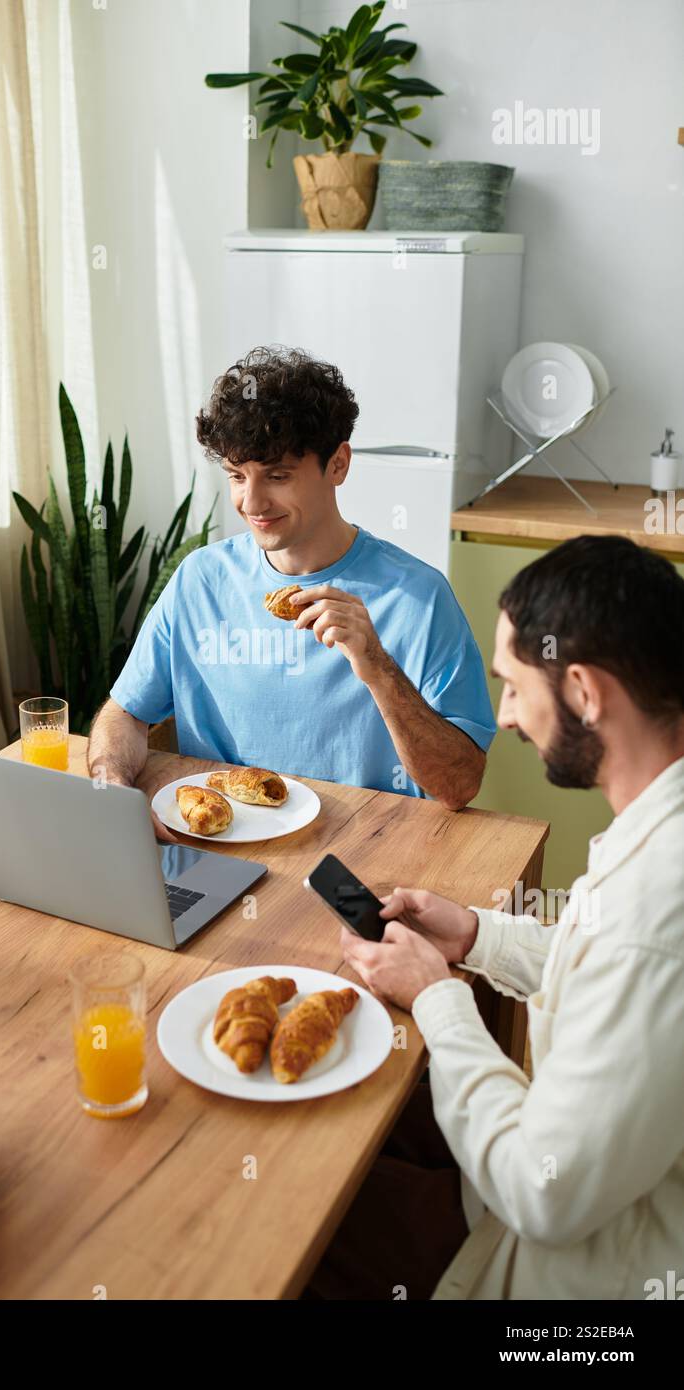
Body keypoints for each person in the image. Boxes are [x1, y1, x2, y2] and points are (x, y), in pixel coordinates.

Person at [308, 534, 684, 1300]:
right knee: (349, 1130)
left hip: (581, 1270)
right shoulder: (659, 824)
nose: (506, 716)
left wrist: (436, 996)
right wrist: (478, 936)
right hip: (581, 1178)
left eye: (513, 686)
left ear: (583, 691)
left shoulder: (658, 908)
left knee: (291, 1219)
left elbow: (544, 1195)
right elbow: (608, 968)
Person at [87, 346, 494, 832]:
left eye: (277, 476)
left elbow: (459, 786)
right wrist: (110, 783)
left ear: (338, 464)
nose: (252, 502)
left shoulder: (419, 598)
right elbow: (127, 713)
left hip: (363, 854)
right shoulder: (200, 580)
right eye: (238, 476)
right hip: (220, 847)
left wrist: (380, 670)